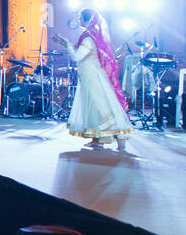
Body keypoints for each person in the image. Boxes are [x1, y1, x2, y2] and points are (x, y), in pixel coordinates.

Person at [53, 9, 133, 150]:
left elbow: (77, 56)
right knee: (92, 108)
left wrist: (66, 43)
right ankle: (97, 139)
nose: (79, 21)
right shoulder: (91, 35)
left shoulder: (89, 37)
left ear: (88, 19)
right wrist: (64, 43)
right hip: (88, 77)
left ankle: (120, 138)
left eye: (81, 18)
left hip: (93, 78)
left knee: (101, 107)